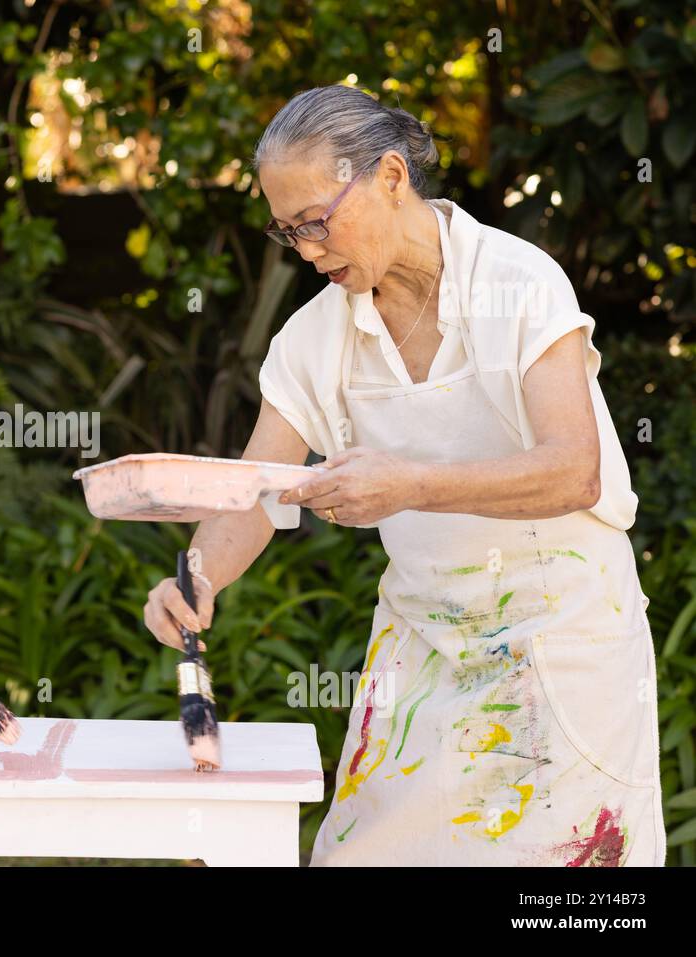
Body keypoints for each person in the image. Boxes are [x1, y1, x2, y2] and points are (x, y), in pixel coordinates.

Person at [143, 85, 664, 866]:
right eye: (289, 233)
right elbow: (254, 489)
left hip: (564, 634)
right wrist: (197, 575)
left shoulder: (519, 283)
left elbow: (574, 472)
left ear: (391, 177)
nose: (309, 251)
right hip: (423, 643)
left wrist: (409, 484)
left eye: (317, 221)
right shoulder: (314, 337)